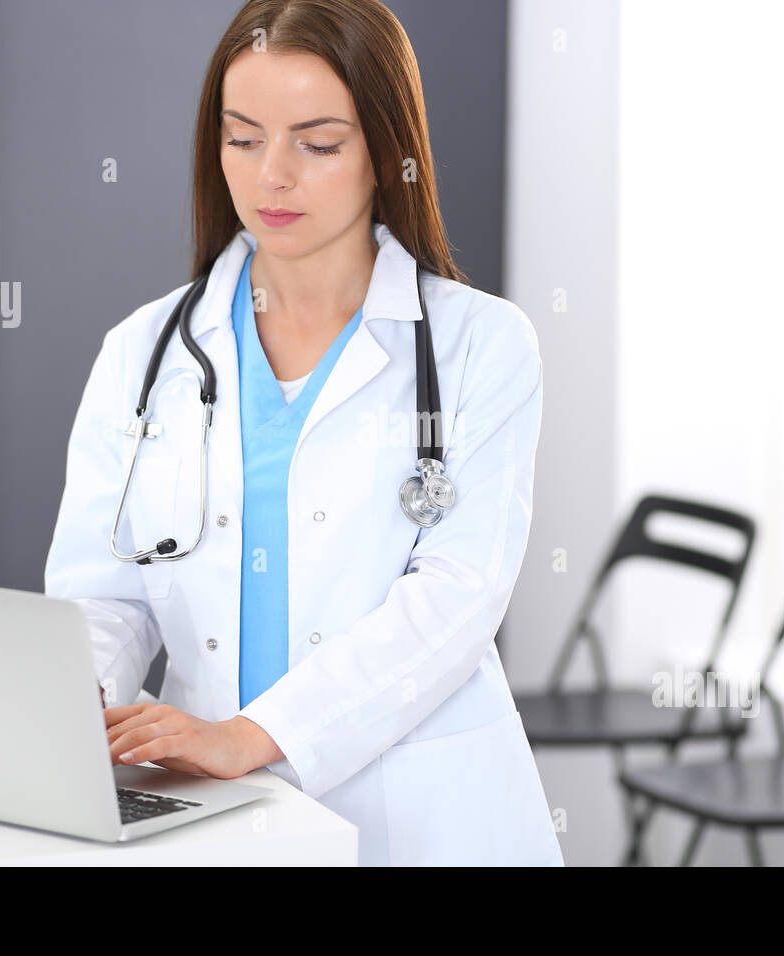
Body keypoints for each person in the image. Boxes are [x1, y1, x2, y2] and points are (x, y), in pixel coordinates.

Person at [45, 0, 563, 866]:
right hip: (206, 802)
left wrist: (254, 734)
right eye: (242, 138)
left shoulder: (482, 344)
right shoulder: (143, 351)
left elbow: (456, 597)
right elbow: (106, 588)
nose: (270, 176)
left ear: (386, 155)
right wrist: (77, 702)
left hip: (420, 818)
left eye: (317, 144)